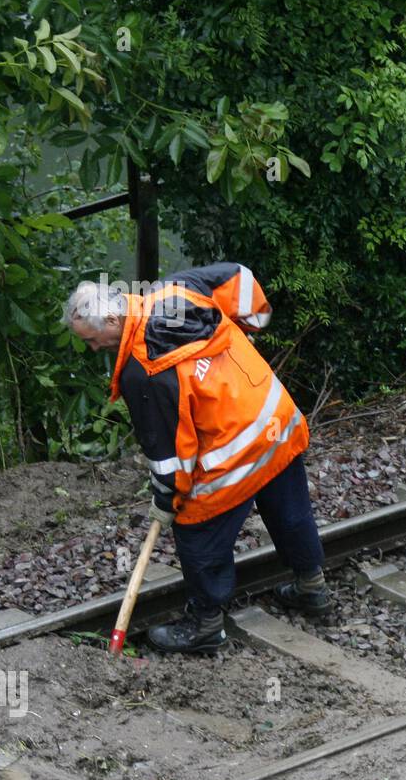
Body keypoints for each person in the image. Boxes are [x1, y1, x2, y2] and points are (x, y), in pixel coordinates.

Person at [63, 264, 331, 653]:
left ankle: (205, 626)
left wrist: (166, 502)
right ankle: (312, 587)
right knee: (290, 512)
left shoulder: (144, 371)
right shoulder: (175, 290)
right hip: (275, 420)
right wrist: (254, 322)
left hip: (235, 450)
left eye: (92, 339)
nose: (92, 348)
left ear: (112, 318)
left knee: (194, 525)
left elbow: (172, 461)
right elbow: (237, 278)